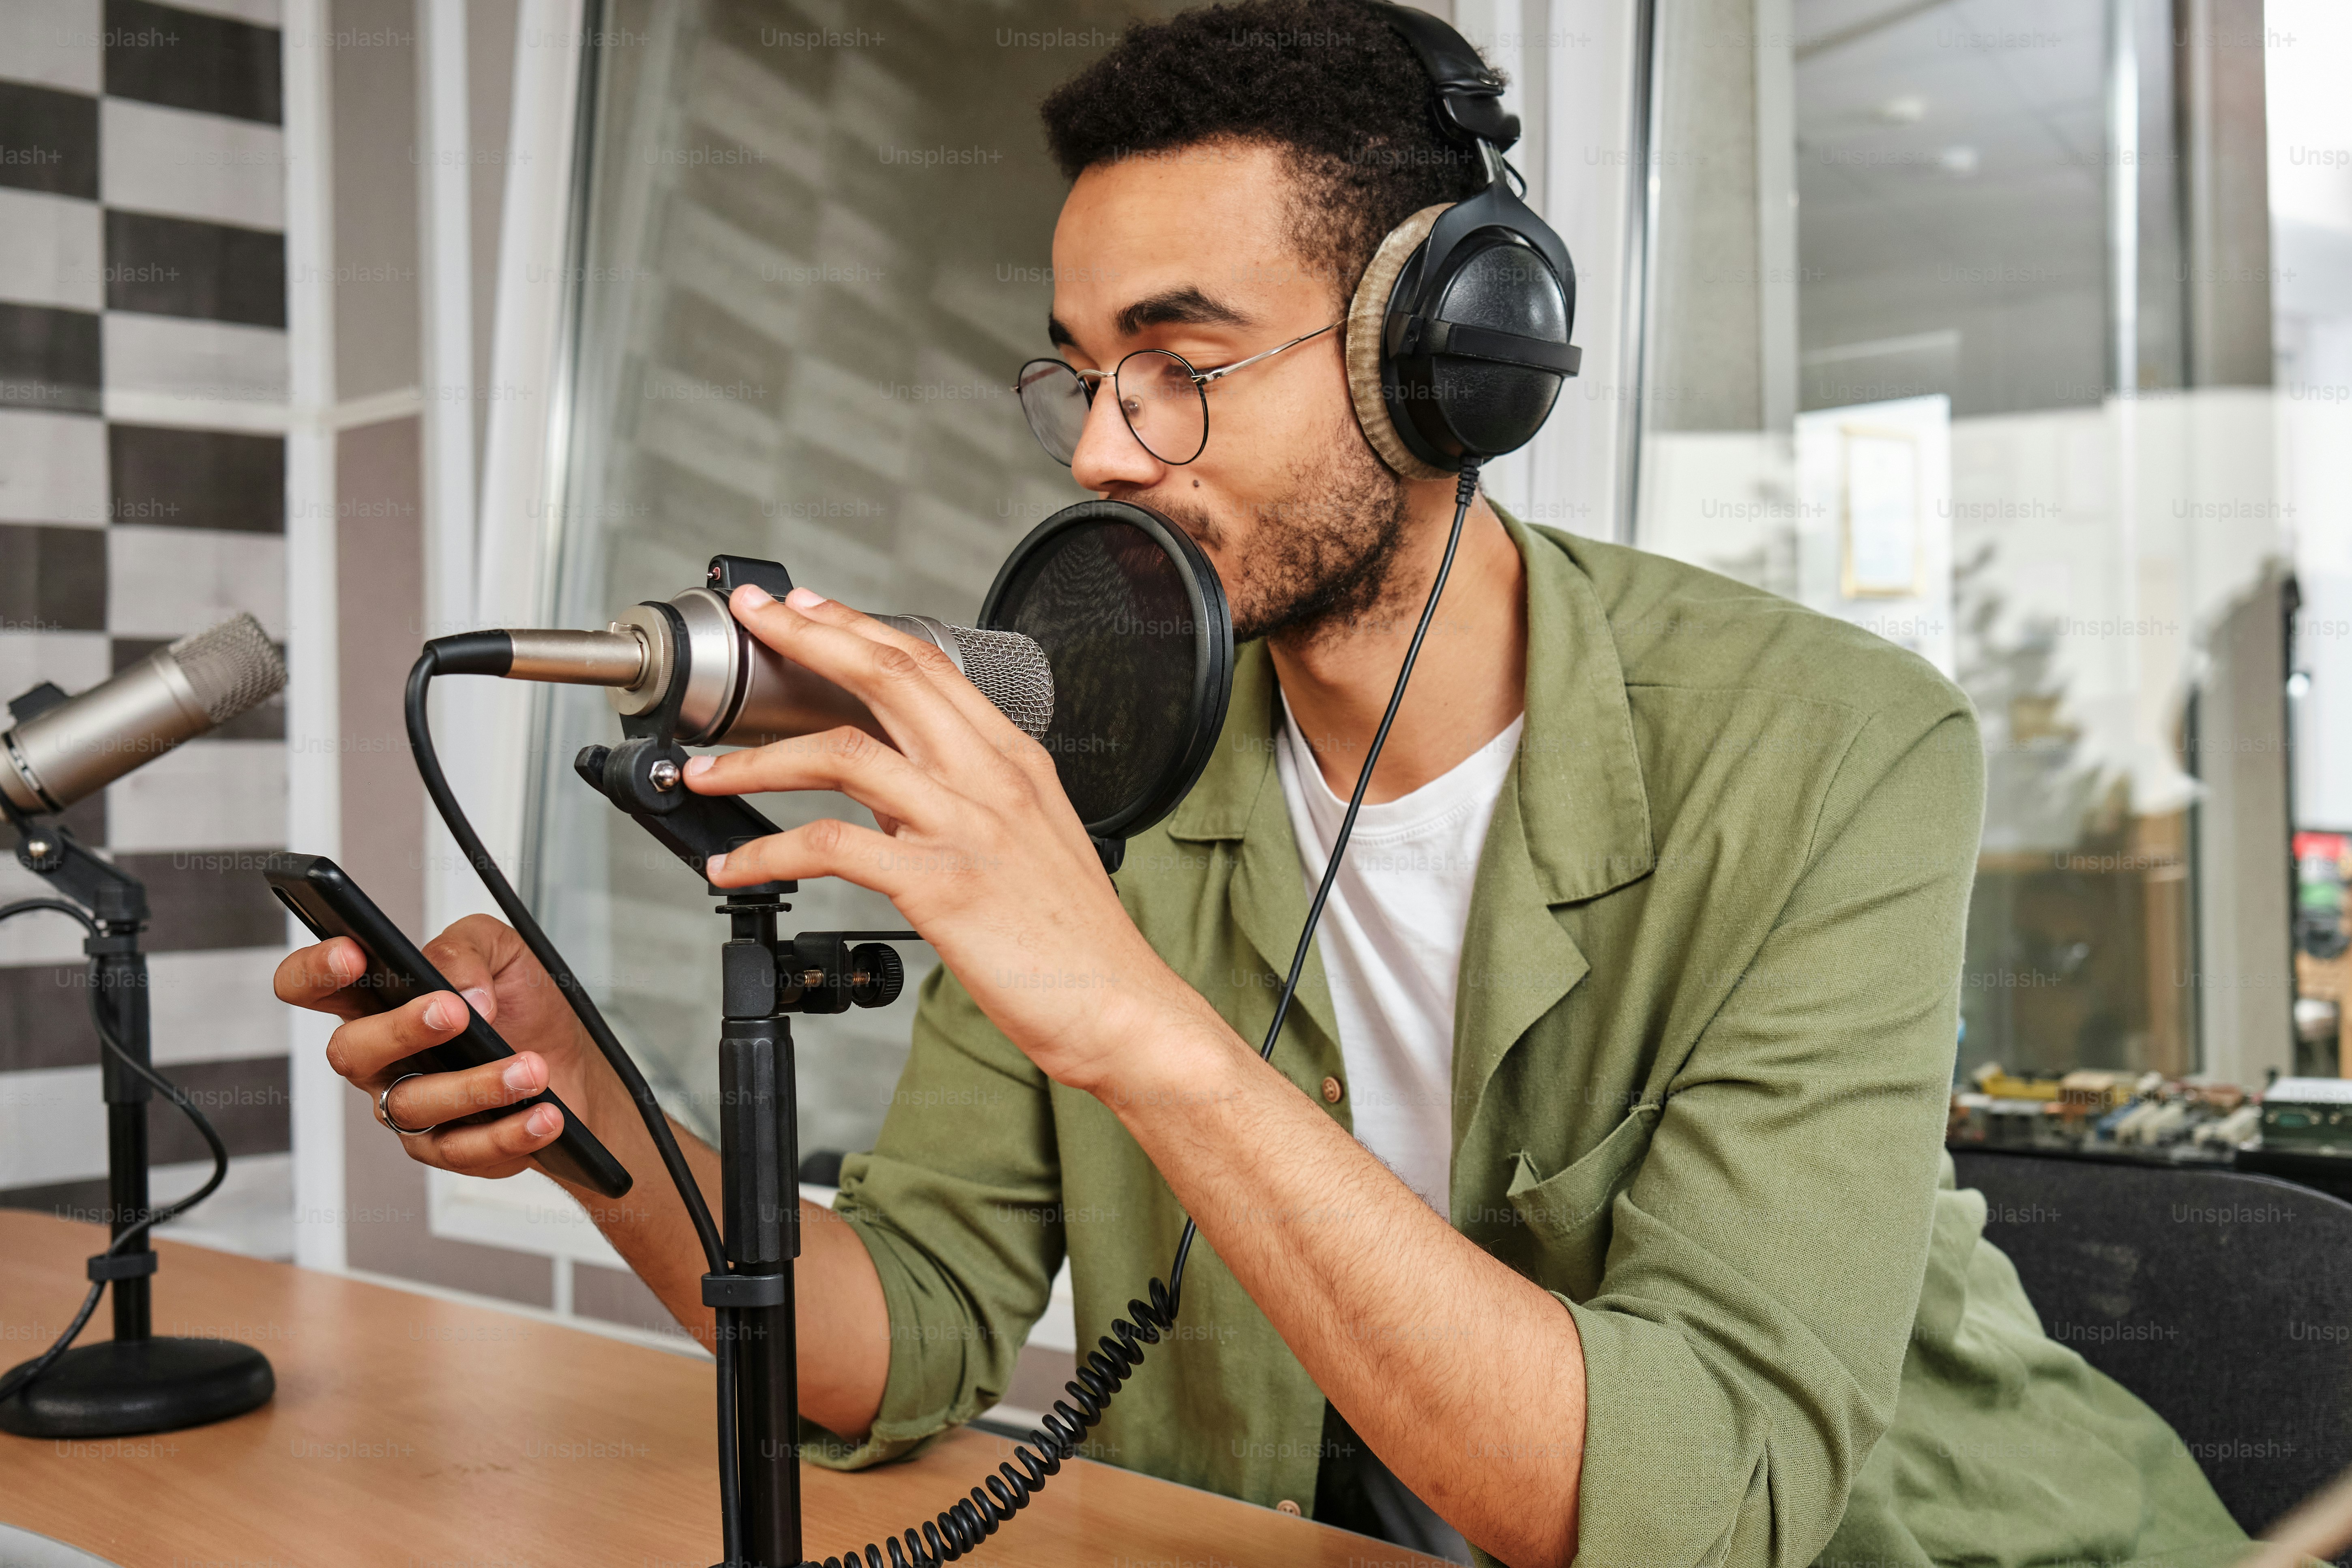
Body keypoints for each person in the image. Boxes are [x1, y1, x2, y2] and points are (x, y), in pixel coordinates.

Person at [275, 3, 2248, 1564]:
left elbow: (1699, 1508)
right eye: (1078, 371)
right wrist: (580, 1105)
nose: (1103, 454)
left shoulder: (1827, 745)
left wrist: (1135, 1024)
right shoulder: (1118, 754)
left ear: (1443, 361)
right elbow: (918, 1325)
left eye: (1181, 358)